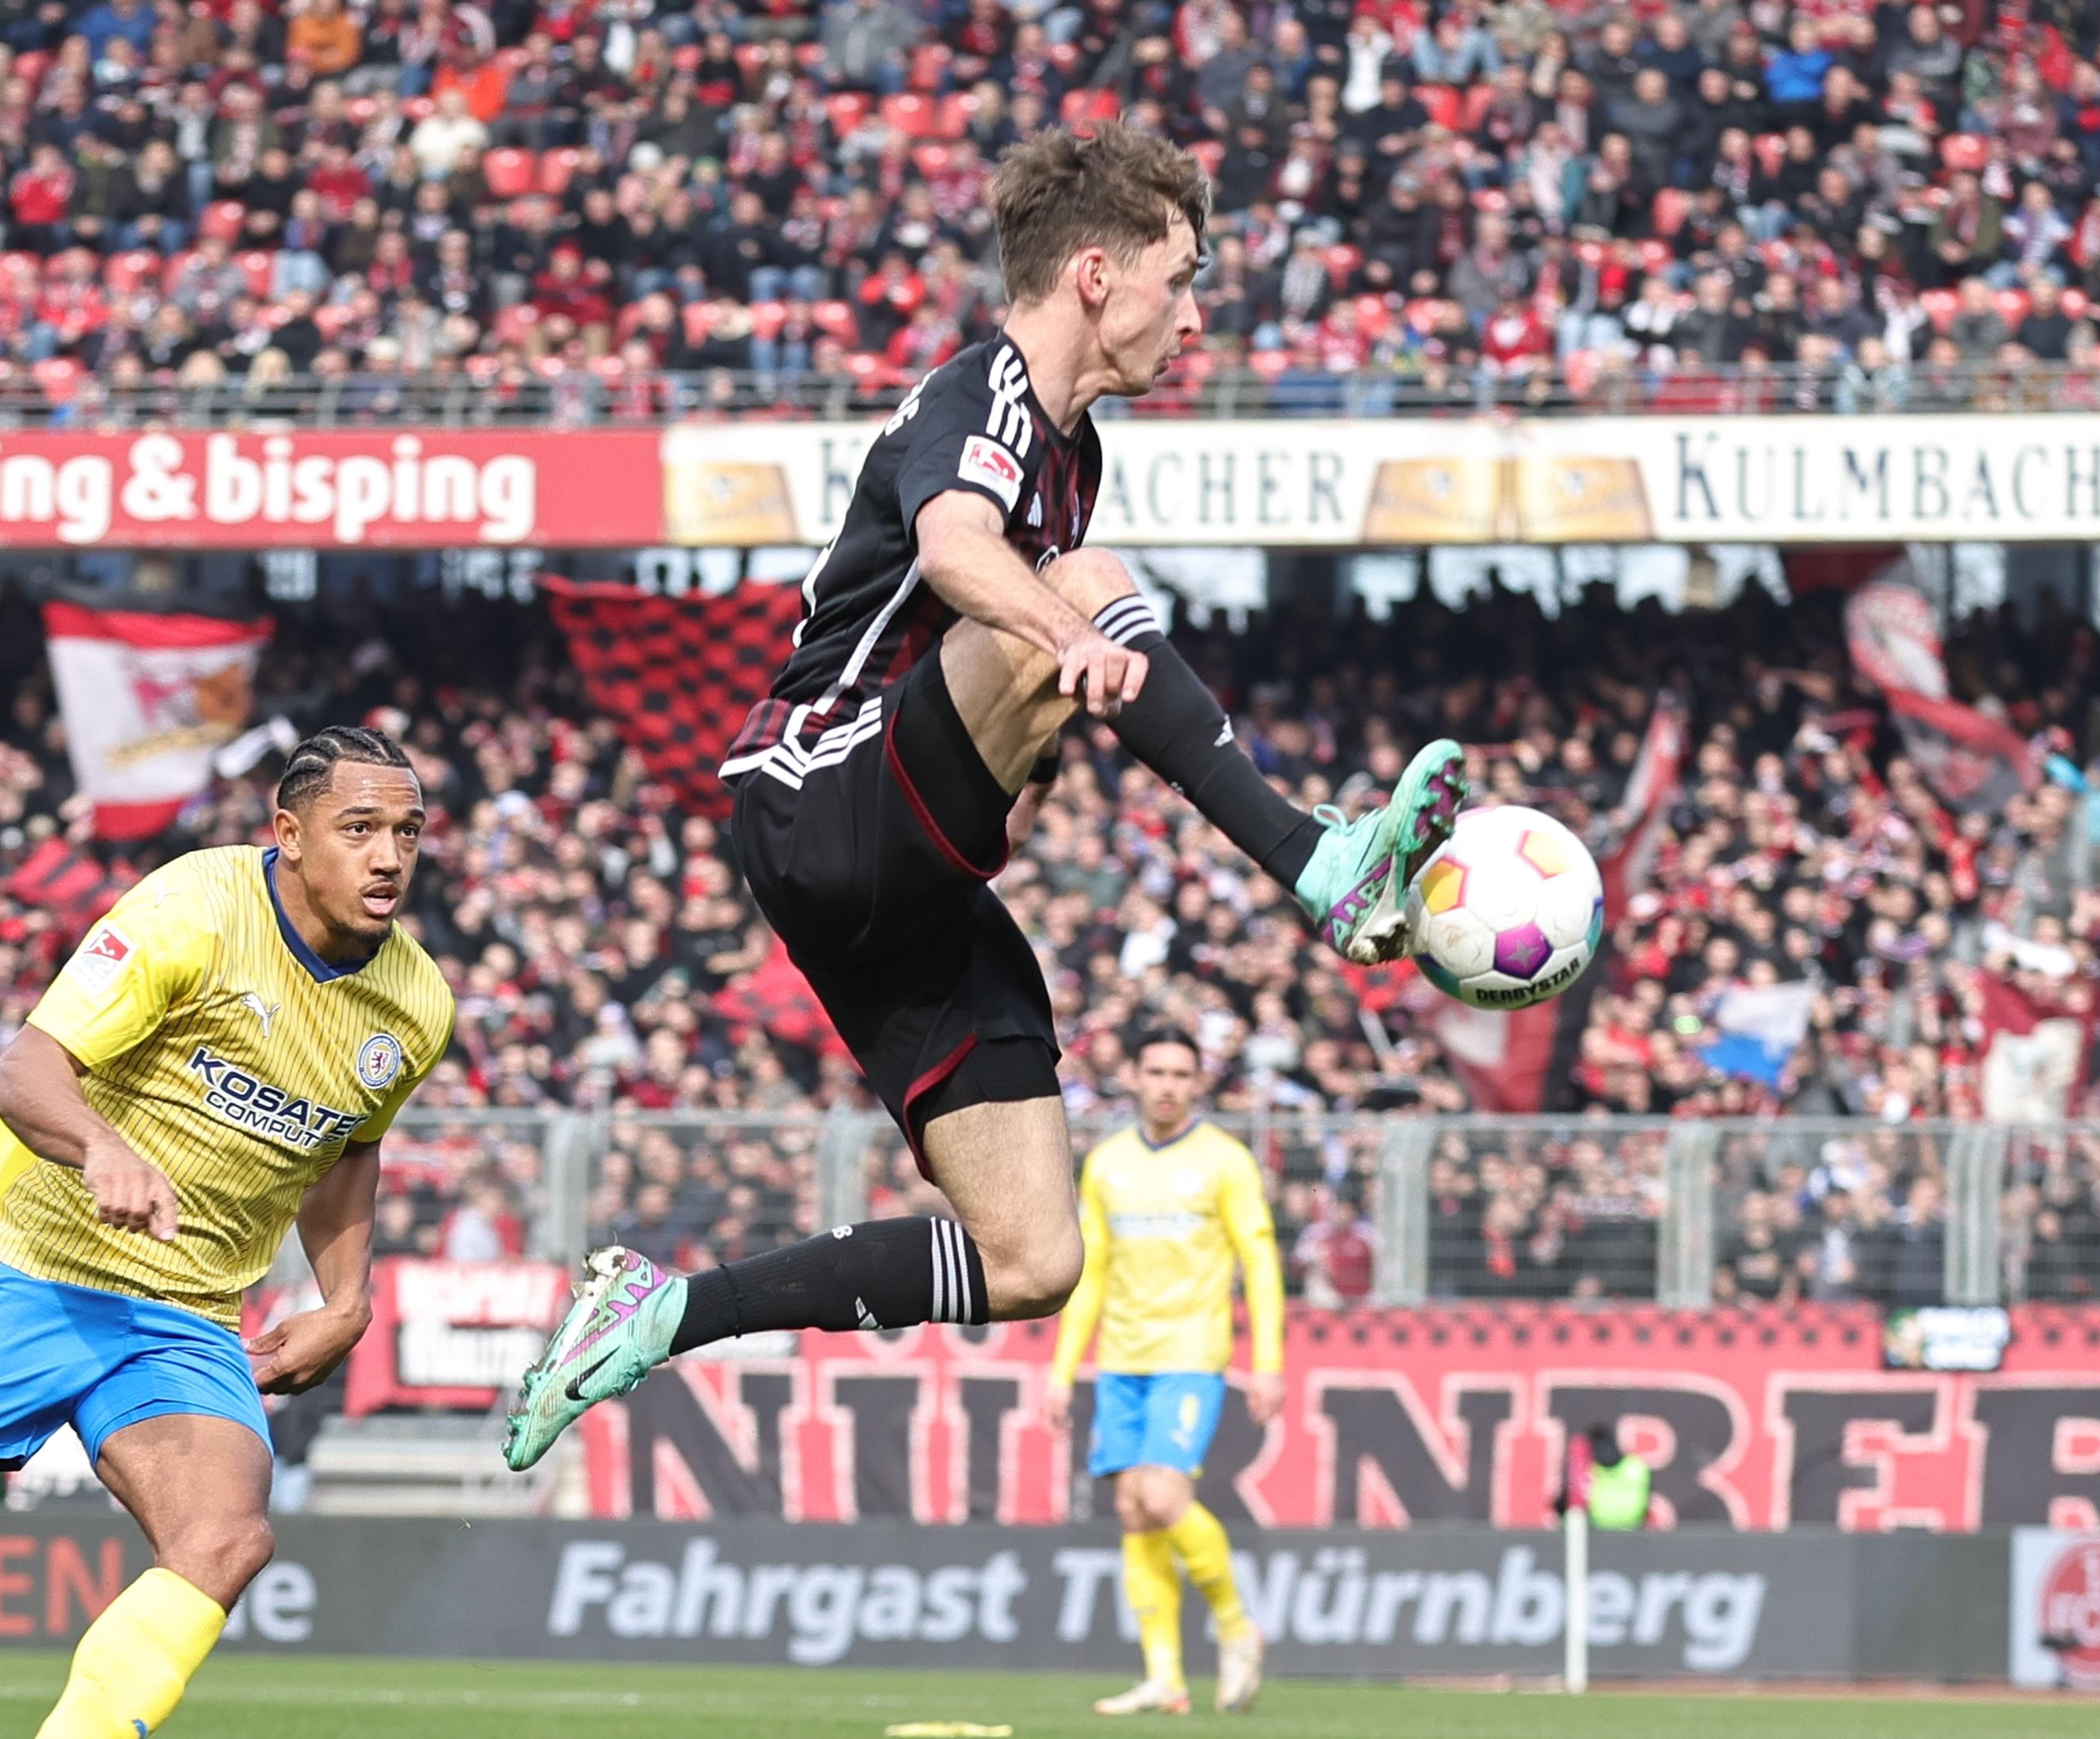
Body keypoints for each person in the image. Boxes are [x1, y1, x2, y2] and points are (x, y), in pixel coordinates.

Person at [500, 124, 1466, 1470]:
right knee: (1081, 582)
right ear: (1093, 274)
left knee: (1034, 1256)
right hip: (816, 790)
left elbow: (1012, 695)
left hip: (909, 873)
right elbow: (960, 547)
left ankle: (660, 1313)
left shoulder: (1074, 453)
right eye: (1179, 280)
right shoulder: (983, 396)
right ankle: (1320, 864)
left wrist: (1049, 708)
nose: (1193, 318)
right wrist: (1068, 632)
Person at [0, 727, 452, 1739]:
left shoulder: (416, 1004)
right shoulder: (193, 908)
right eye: (358, 828)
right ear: (286, 833)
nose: (387, 857)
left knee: (225, 1539)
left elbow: (348, 1149)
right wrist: (101, 1149)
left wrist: (345, 1300)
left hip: (186, 1314)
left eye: (407, 832)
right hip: (27, 1272)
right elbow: (24, 1072)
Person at [1042, 1029, 1284, 1716]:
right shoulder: (1109, 1164)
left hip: (1191, 1353)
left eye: (1182, 1072)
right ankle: (1165, 1677)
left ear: (1198, 1083)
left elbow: (1260, 1262)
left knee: (1162, 1497)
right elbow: (1089, 1276)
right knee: (1131, 1511)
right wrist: (1064, 1371)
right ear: (1136, 1078)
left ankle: (1237, 1627)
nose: (1169, 1084)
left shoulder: (1225, 1162)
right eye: (1157, 1071)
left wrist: (1268, 1363)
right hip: (1121, 1359)